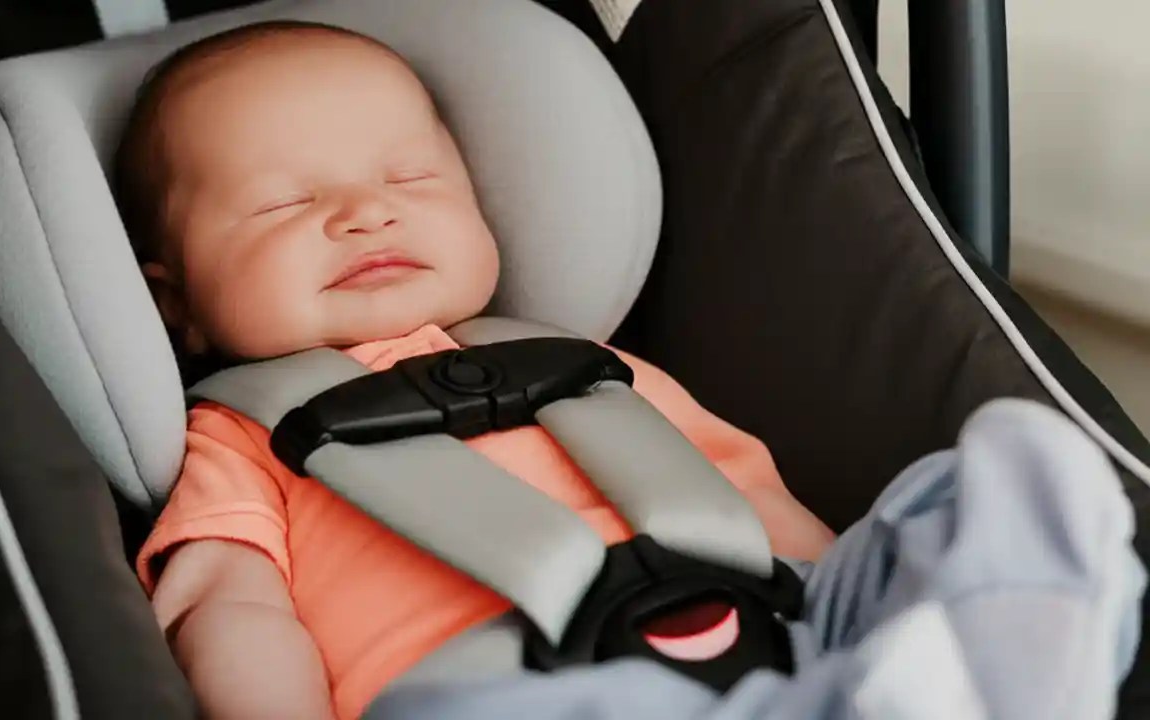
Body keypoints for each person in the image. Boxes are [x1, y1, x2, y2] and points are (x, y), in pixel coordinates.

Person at [115, 21, 1143, 720]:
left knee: (998, 472)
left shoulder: (584, 364)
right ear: (173, 300)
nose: (364, 211)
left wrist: (834, 602)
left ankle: (935, 663)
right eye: (285, 204)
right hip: (495, 690)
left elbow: (743, 492)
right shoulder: (237, 438)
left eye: (406, 178)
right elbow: (231, 609)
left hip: (767, 632)